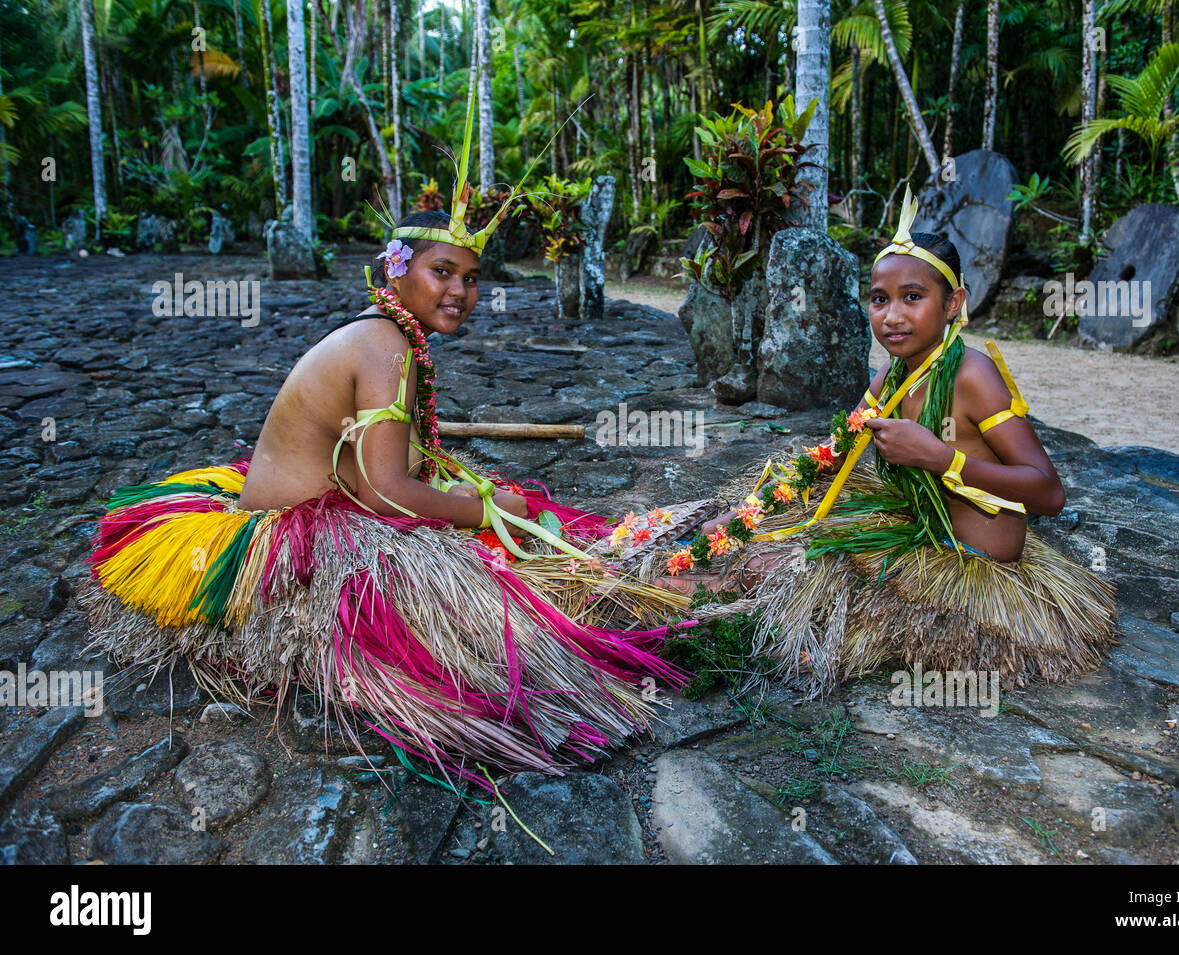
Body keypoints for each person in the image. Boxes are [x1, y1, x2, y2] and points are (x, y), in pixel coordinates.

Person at [78, 74, 692, 794]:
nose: (459, 292)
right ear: (395, 272)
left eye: (469, 276)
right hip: (289, 527)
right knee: (489, 566)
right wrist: (492, 509)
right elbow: (388, 493)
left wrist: (474, 501)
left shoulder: (389, 337)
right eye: (441, 272)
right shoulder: (385, 347)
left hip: (322, 500)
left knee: (490, 514)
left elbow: (385, 474)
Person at [635, 185, 1115, 694]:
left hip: (966, 558)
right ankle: (720, 582)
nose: (892, 316)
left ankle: (729, 597)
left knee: (786, 570)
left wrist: (939, 457)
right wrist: (755, 508)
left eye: (913, 297)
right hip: (915, 523)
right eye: (879, 299)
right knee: (766, 534)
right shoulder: (894, 373)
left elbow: (1048, 493)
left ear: (953, 303)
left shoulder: (972, 374)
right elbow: (834, 453)